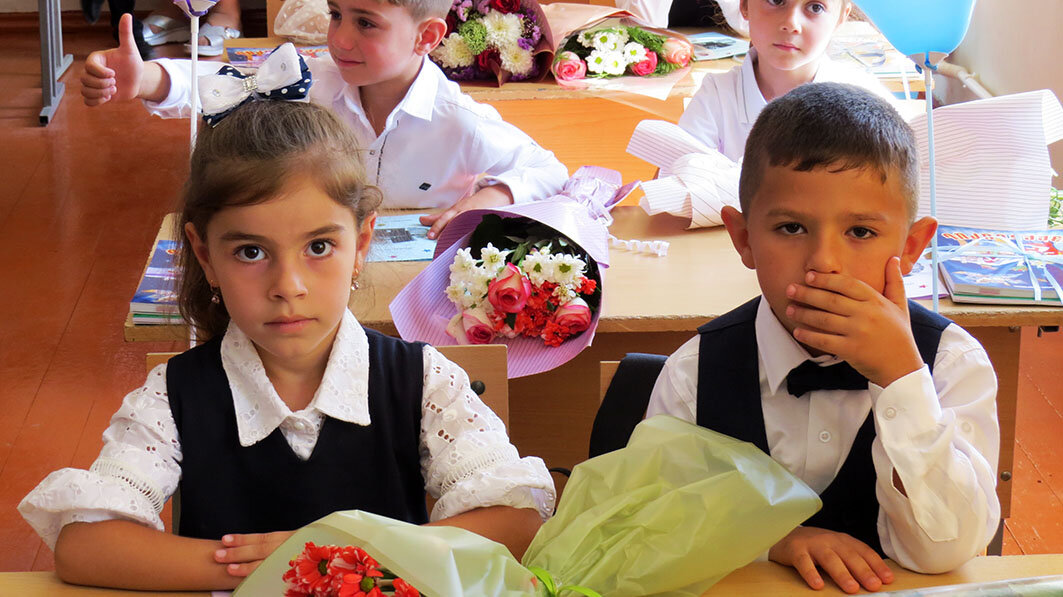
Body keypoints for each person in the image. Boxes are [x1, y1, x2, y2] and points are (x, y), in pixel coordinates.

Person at [18, 97, 555, 591]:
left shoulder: (422, 381)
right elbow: (85, 546)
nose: (288, 286)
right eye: (251, 252)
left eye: (319, 246)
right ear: (205, 257)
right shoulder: (174, 394)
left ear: (361, 243)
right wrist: (290, 565)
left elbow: (516, 523)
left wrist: (341, 556)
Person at [646, 83, 1000, 594]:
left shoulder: (951, 366)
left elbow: (945, 549)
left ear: (913, 245)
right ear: (744, 239)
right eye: (791, 228)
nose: (824, 263)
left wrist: (903, 382)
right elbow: (655, 524)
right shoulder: (693, 373)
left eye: (860, 232)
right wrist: (772, 540)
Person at [77, 0, 569, 240]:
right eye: (336, 15)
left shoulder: (459, 122)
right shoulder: (310, 80)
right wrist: (149, 80)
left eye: (366, 23)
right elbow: (226, 80)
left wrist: (489, 196)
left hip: (410, 299)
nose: (341, 39)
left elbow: (548, 169)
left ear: (427, 36)